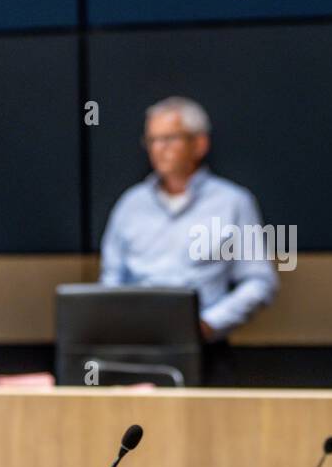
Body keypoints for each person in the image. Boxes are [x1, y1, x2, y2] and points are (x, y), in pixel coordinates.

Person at [99, 96, 278, 381]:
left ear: (199, 144)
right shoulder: (130, 205)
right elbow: (110, 280)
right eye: (152, 140)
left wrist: (207, 324)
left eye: (170, 139)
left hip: (204, 350)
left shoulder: (233, 202)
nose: (159, 149)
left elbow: (259, 281)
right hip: (135, 352)